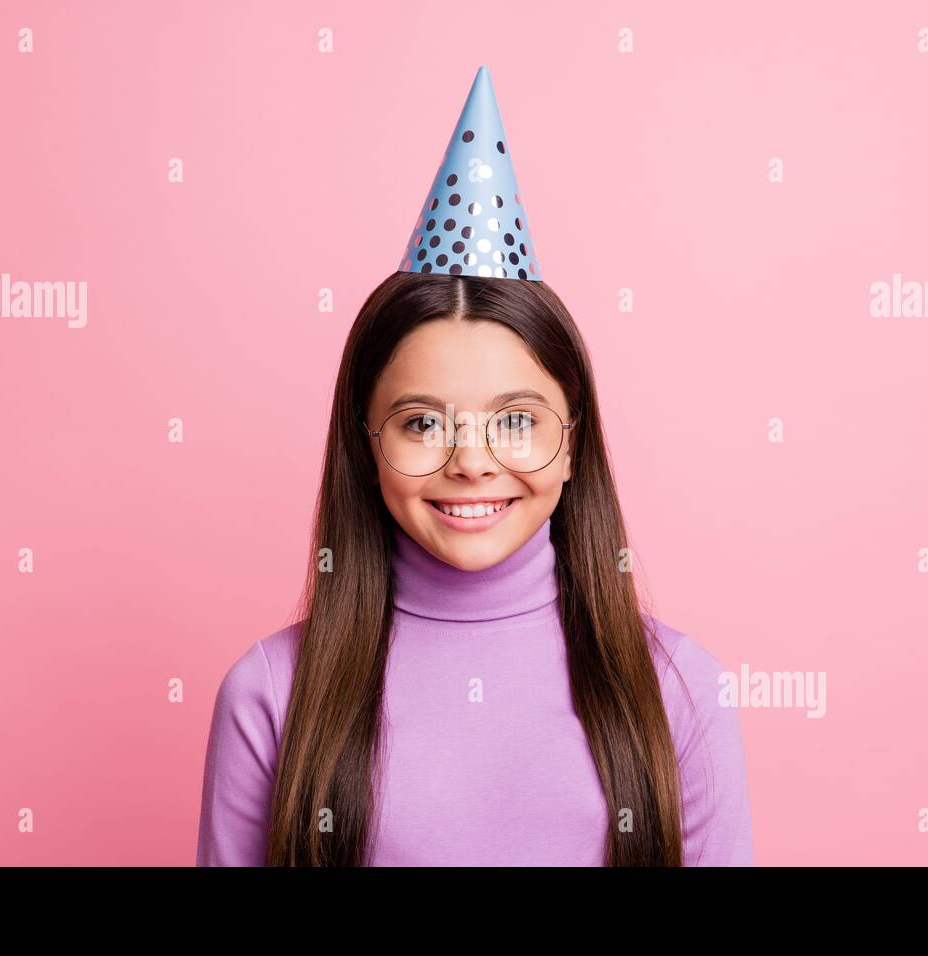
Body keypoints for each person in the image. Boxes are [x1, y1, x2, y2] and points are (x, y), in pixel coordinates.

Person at [196, 65, 752, 866]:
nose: (471, 463)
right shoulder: (271, 696)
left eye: (516, 421)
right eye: (423, 422)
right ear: (367, 442)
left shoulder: (682, 691)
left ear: (574, 442)